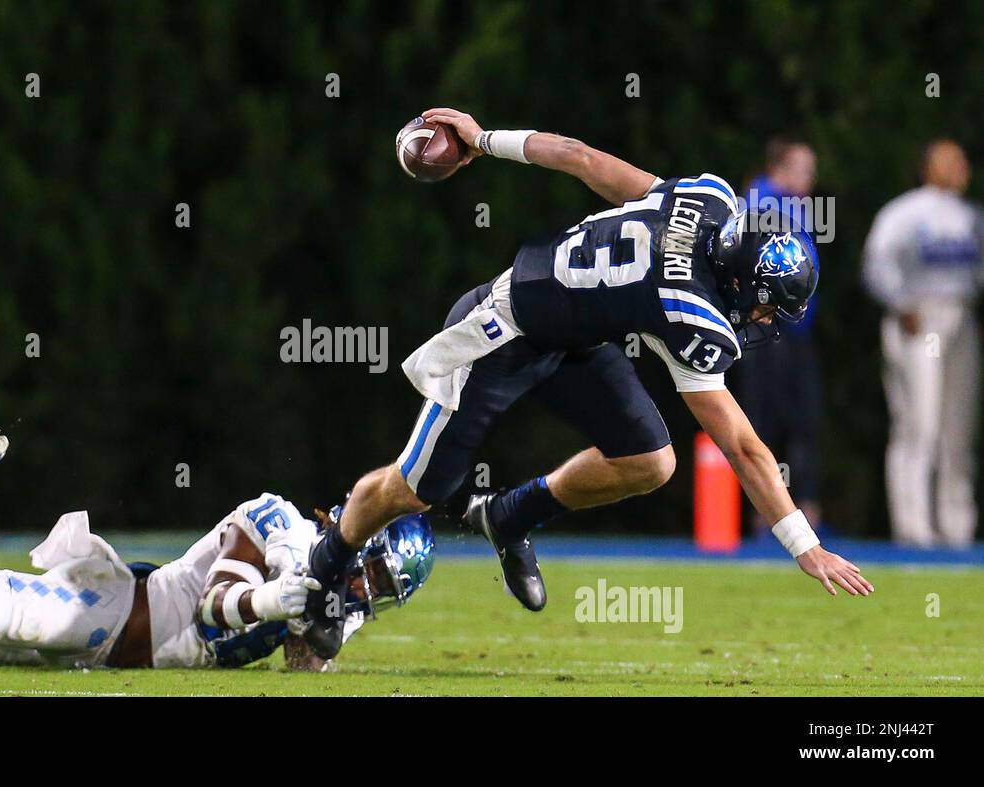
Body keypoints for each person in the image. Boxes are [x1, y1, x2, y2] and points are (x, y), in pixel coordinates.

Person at [301, 108, 873, 660]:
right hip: (505, 331)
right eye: (768, 308)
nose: (766, 321)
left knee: (651, 460)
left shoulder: (709, 199)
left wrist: (482, 139)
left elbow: (579, 157)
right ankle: (323, 571)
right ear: (738, 279)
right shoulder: (691, 311)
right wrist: (806, 544)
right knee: (414, 488)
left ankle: (508, 515)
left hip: (574, 335)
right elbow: (743, 447)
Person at [0, 365, 434, 670]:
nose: (364, 590)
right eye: (369, 571)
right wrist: (281, 600)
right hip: (114, 616)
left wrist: (320, 630)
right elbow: (222, 604)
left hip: (112, 643)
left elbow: (305, 658)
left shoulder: (341, 590)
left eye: (381, 591)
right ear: (351, 530)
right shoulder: (284, 528)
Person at [863, 139, 983, 548]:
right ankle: (913, 529)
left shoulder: (971, 216)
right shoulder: (907, 211)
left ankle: (957, 526)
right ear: (928, 166)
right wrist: (900, 302)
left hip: (961, 319)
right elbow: (876, 262)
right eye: (950, 159)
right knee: (920, 423)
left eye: (962, 159)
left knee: (959, 428)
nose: (960, 166)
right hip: (920, 319)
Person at [735, 138, 824, 533]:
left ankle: (802, 508)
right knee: (763, 420)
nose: (811, 177)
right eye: (803, 167)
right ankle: (767, 514)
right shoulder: (759, 201)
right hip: (765, 327)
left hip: (794, 330)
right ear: (779, 167)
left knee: (802, 419)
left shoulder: (794, 205)